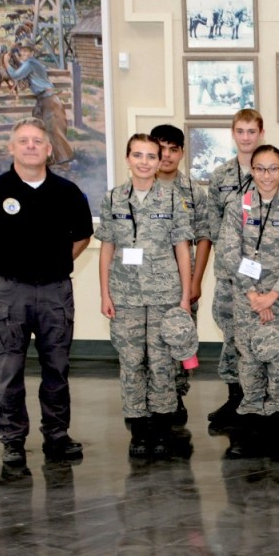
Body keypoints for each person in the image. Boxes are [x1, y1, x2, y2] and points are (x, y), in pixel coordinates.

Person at [0, 117, 92, 466]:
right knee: (8, 370)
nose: (31, 146)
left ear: (49, 149)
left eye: (38, 140)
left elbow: (82, 237)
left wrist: (52, 264)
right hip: (10, 293)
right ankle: (12, 439)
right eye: (24, 140)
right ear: (12, 148)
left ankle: (57, 435)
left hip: (55, 292)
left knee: (57, 367)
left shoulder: (68, 193)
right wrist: (9, 264)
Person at [97, 135, 193, 457]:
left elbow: (183, 248)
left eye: (151, 156)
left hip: (165, 296)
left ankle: (163, 428)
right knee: (131, 362)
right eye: (137, 155)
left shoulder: (172, 199)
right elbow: (107, 247)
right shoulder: (112, 199)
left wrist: (185, 296)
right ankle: (139, 430)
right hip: (125, 296)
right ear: (127, 159)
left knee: (163, 364)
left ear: (159, 160)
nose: (144, 161)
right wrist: (104, 294)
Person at [215, 144, 279, 460]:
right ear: (252, 171)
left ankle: (276, 430)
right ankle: (251, 431)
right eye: (260, 168)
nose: (267, 175)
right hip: (247, 302)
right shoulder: (236, 208)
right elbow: (229, 253)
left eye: (273, 168)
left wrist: (273, 295)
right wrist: (254, 294)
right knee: (250, 363)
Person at [194, 109, 265, 431]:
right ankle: (234, 398)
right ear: (233, 134)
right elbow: (212, 227)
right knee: (230, 334)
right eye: (241, 131)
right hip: (228, 273)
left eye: (252, 131)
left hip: (262, 274)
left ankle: (259, 401)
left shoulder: (271, 172)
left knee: (259, 336)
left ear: (260, 134)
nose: (246, 137)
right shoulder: (220, 176)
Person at [151, 123, 201, 423]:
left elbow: (204, 236)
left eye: (173, 149)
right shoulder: (138, 188)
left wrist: (194, 281)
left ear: (182, 152)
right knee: (149, 345)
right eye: (161, 148)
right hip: (144, 284)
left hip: (182, 282)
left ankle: (177, 397)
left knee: (181, 339)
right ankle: (151, 401)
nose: (166, 155)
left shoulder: (193, 191)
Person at [7, 42, 74, 167]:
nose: (25, 53)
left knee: (53, 129)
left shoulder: (30, 63)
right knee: (40, 128)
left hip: (48, 99)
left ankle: (64, 161)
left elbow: (15, 74)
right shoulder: (31, 63)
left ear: (32, 53)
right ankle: (49, 157)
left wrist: (6, 63)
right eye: (23, 51)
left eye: (28, 51)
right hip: (44, 99)